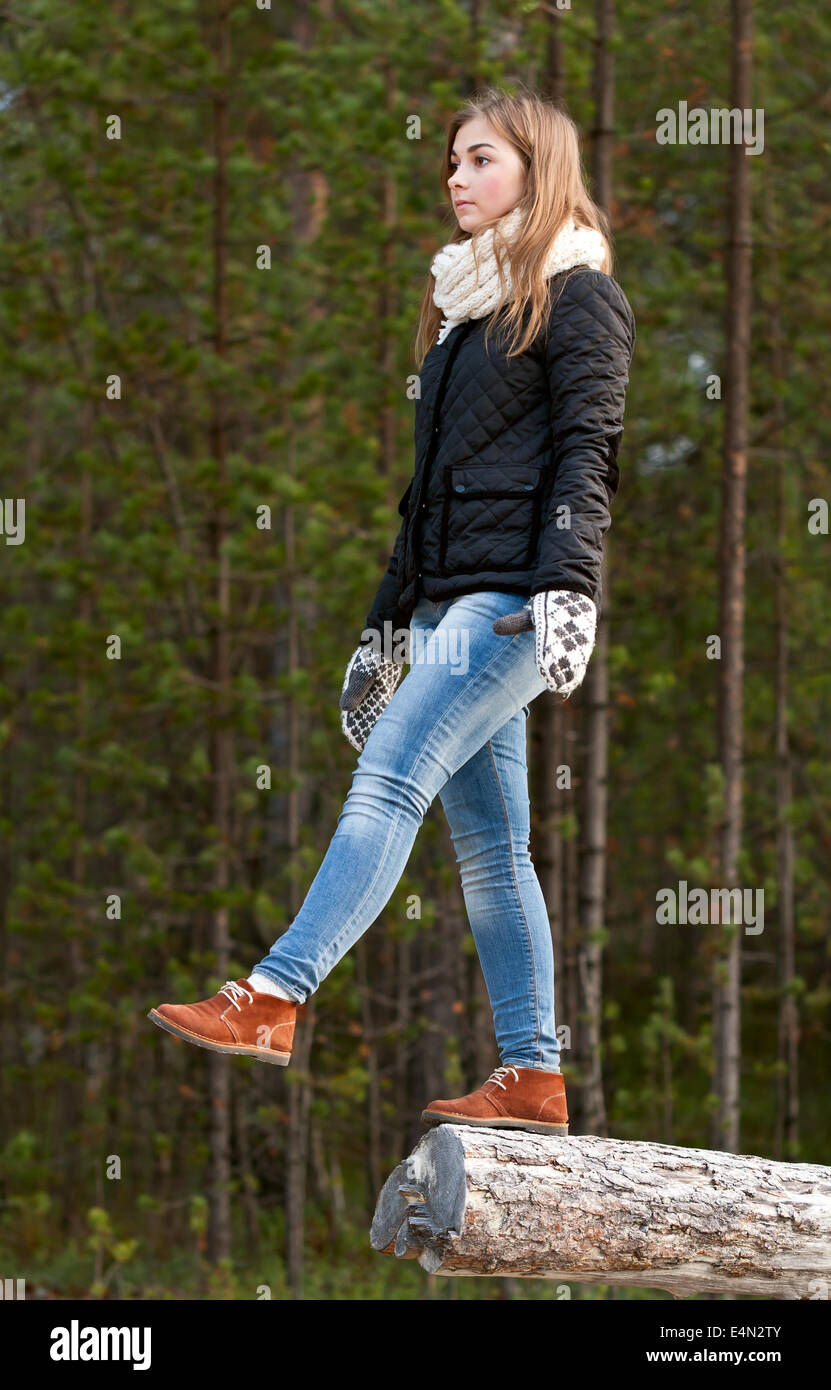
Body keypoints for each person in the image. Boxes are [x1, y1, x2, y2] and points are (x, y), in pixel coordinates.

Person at [148, 88, 636, 1139]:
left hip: (506, 605)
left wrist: (568, 586)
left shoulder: (578, 296)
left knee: (388, 780)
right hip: (442, 604)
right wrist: (385, 623)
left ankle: (272, 995)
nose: (455, 178)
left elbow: (586, 451)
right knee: (495, 854)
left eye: (479, 159)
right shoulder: (467, 317)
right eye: (452, 163)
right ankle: (534, 1074)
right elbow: (426, 496)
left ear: (536, 169)